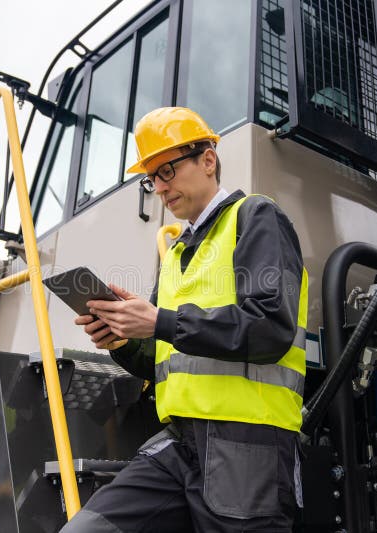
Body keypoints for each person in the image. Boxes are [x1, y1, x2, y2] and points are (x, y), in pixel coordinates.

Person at [61, 107, 308, 532]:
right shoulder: (175, 254)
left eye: (167, 170)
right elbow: (162, 359)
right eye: (152, 178)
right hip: (179, 445)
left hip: (246, 445)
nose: (159, 187)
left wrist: (159, 321)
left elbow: (270, 329)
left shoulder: (255, 218)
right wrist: (120, 339)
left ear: (207, 160)